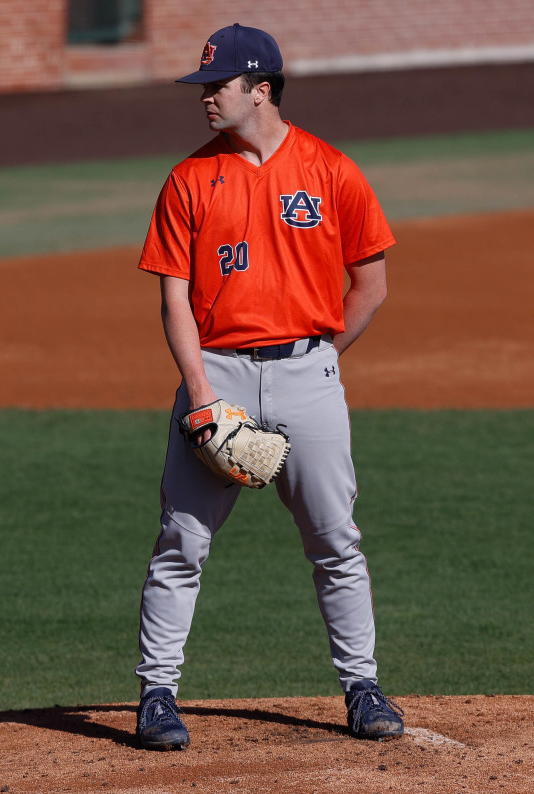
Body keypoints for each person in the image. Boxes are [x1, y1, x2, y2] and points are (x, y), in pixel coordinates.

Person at [133, 23, 404, 750]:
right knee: (181, 541)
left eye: (216, 87)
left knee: (335, 540)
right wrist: (198, 392)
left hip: (308, 373)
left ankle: (363, 687)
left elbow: (370, 285)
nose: (205, 100)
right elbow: (174, 298)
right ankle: (156, 695)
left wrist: (318, 361)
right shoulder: (190, 179)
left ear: (261, 89)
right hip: (216, 373)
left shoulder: (331, 170)